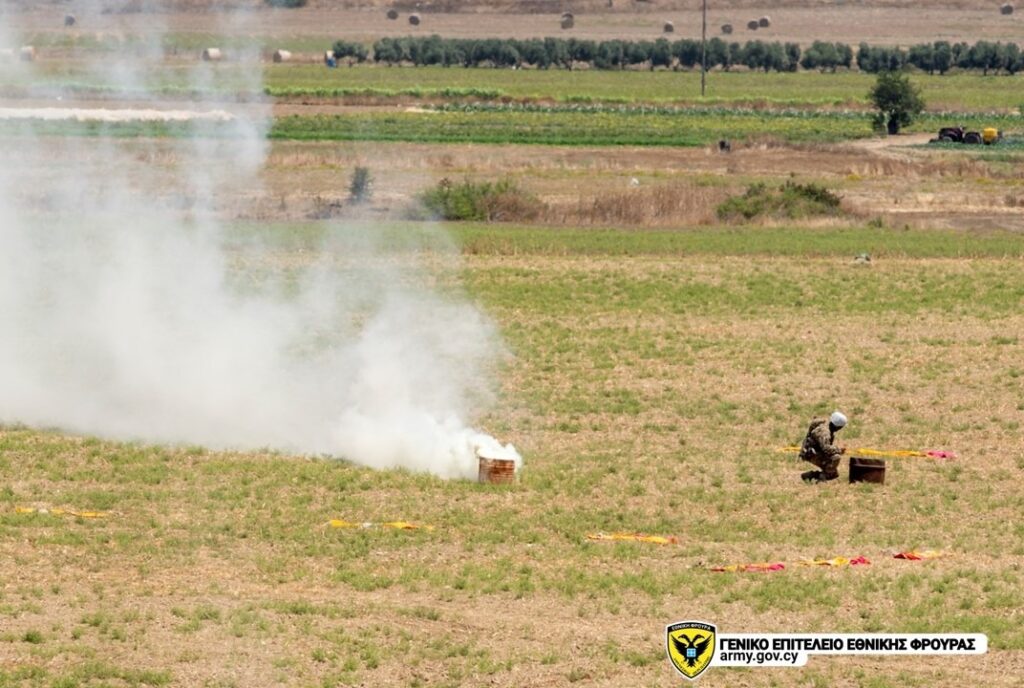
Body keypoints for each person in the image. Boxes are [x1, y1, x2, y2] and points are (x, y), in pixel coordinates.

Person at [799, 411, 847, 482]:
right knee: (836, 457)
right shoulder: (825, 433)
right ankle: (821, 479)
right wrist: (839, 450)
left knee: (834, 474)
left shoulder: (825, 426)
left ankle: (809, 476)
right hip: (811, 454)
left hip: (811, 451)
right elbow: (826, 448)